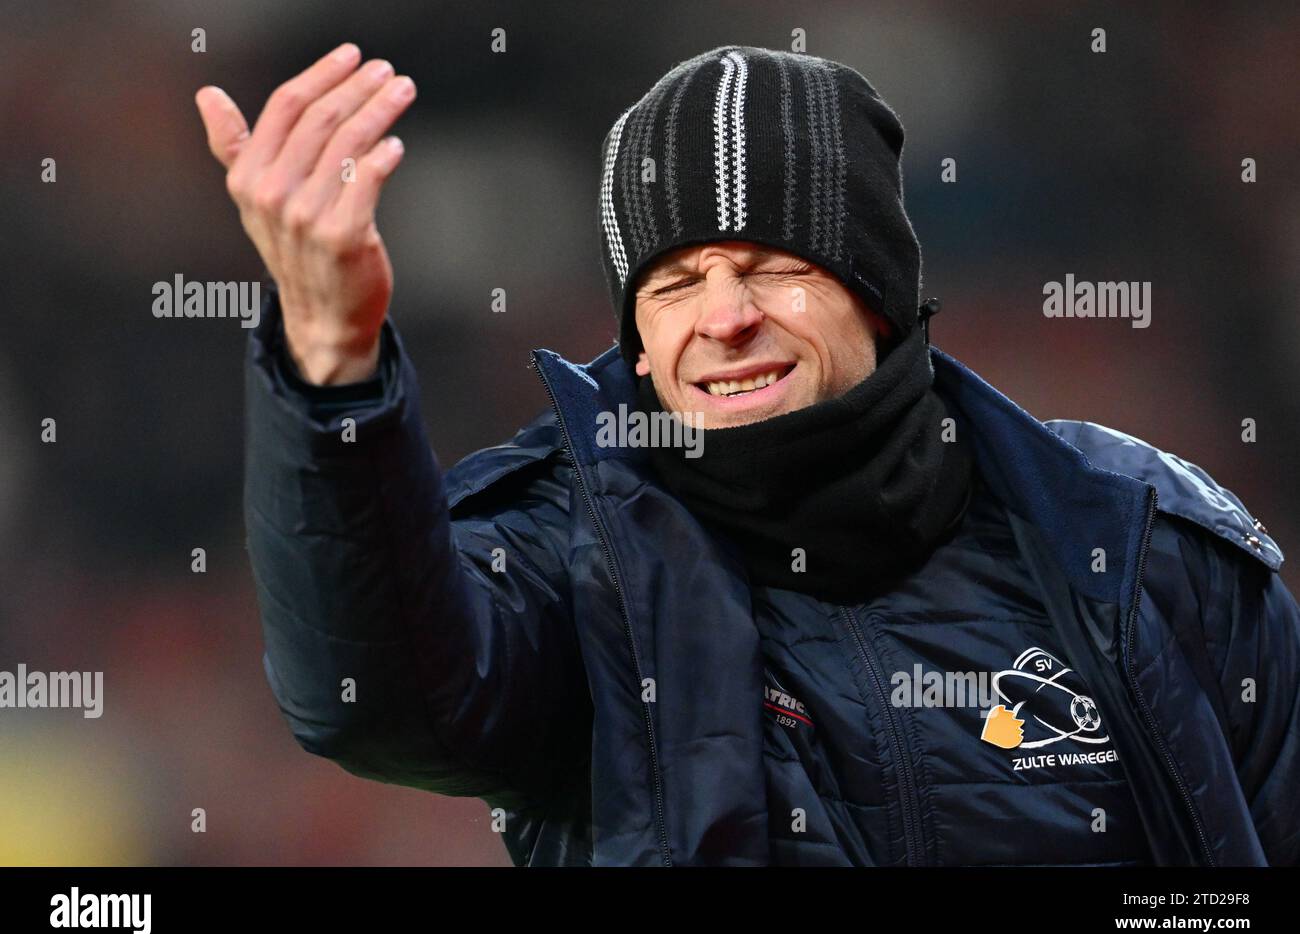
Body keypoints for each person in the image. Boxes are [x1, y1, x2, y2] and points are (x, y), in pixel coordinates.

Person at [197, 42, 1300, 866]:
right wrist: (332, 365)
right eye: (672, 285)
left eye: (772, 265)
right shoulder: (574, 558)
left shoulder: (1133, 537)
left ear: (877, 292)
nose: (720, 319)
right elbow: (373, 699)